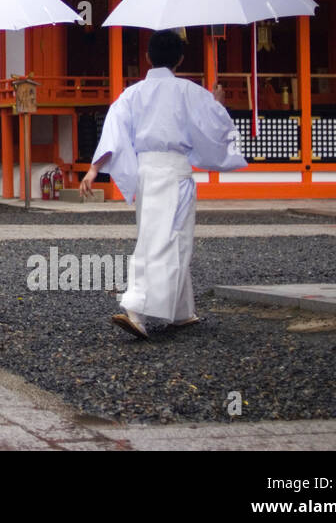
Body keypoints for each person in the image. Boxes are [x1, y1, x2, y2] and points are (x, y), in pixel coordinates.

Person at [80, 29, 247, 340]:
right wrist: (219, 103)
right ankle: (136, 308)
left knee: (169, 238)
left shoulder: (132, 94)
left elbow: (113, 133)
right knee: (163, 241)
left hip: (146, 171)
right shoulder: (190, 91)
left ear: (147, 58)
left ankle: (182, 311)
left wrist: (94, 169)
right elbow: (216, 125)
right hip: (175, 172)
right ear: (180, 59)